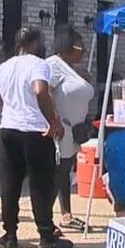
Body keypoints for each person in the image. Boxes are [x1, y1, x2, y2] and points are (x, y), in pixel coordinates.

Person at [0, 27, 72, 248]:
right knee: (40, 184)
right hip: (35, 131)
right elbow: (39, 91)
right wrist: (53, 122)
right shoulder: (38, 64)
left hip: (8, 129)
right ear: (34, 43)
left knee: (10, 183)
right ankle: (46, 235)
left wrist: (11, 111)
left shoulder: (3, 67)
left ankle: (10, 234)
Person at [47, 27, 95, 230]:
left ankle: (65, 214)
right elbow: (46, 90)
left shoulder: (69, 67)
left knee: (65, 171)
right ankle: (57, 216)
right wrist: (55, 120)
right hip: (62, 128)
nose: (83, 51)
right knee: (59, 171)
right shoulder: (53, 65)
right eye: (80, 47)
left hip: (75, 130)